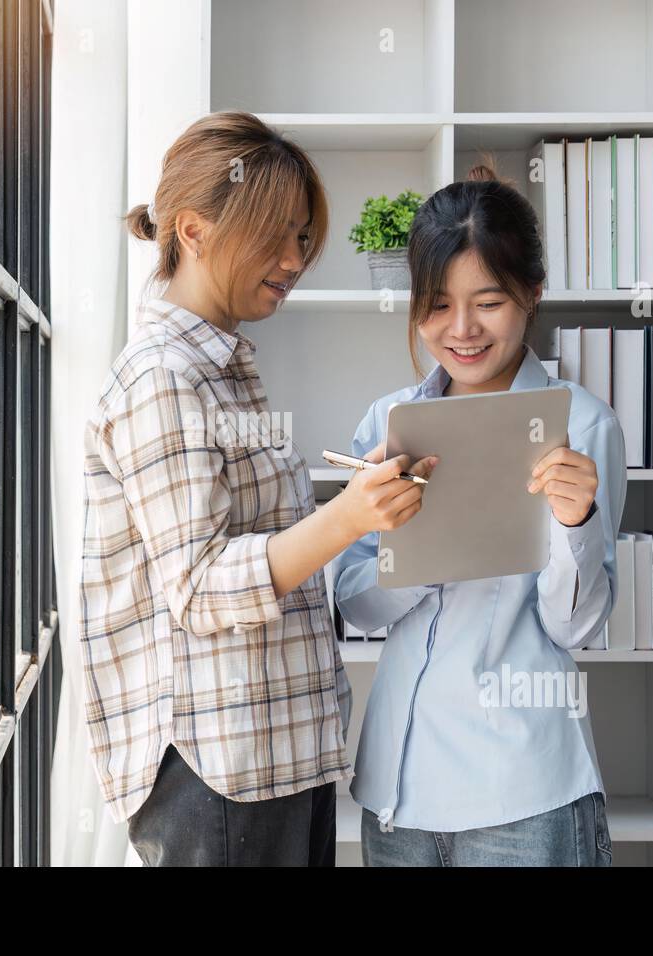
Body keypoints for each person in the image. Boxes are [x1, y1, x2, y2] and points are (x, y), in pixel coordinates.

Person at [79, 111, 438, 866]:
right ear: (193, 230)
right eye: (272, 235)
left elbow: (256, 535)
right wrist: (347, 518)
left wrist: (358, 494)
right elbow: (202, 585)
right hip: (220, 769)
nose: (294, 258)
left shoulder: (222, 364)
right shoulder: (163, 378)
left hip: (268, 755)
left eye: (302, 236)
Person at [336, 164, 626, 867]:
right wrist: (411, 546)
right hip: (397, 791)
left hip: (522, 793)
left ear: (532, 293)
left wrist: (575, 523)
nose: (460, 330)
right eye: (436, 305)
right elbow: (357, 607)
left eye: (488, 302)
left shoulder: (582, 427)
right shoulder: (388, 420)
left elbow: (575, 626)